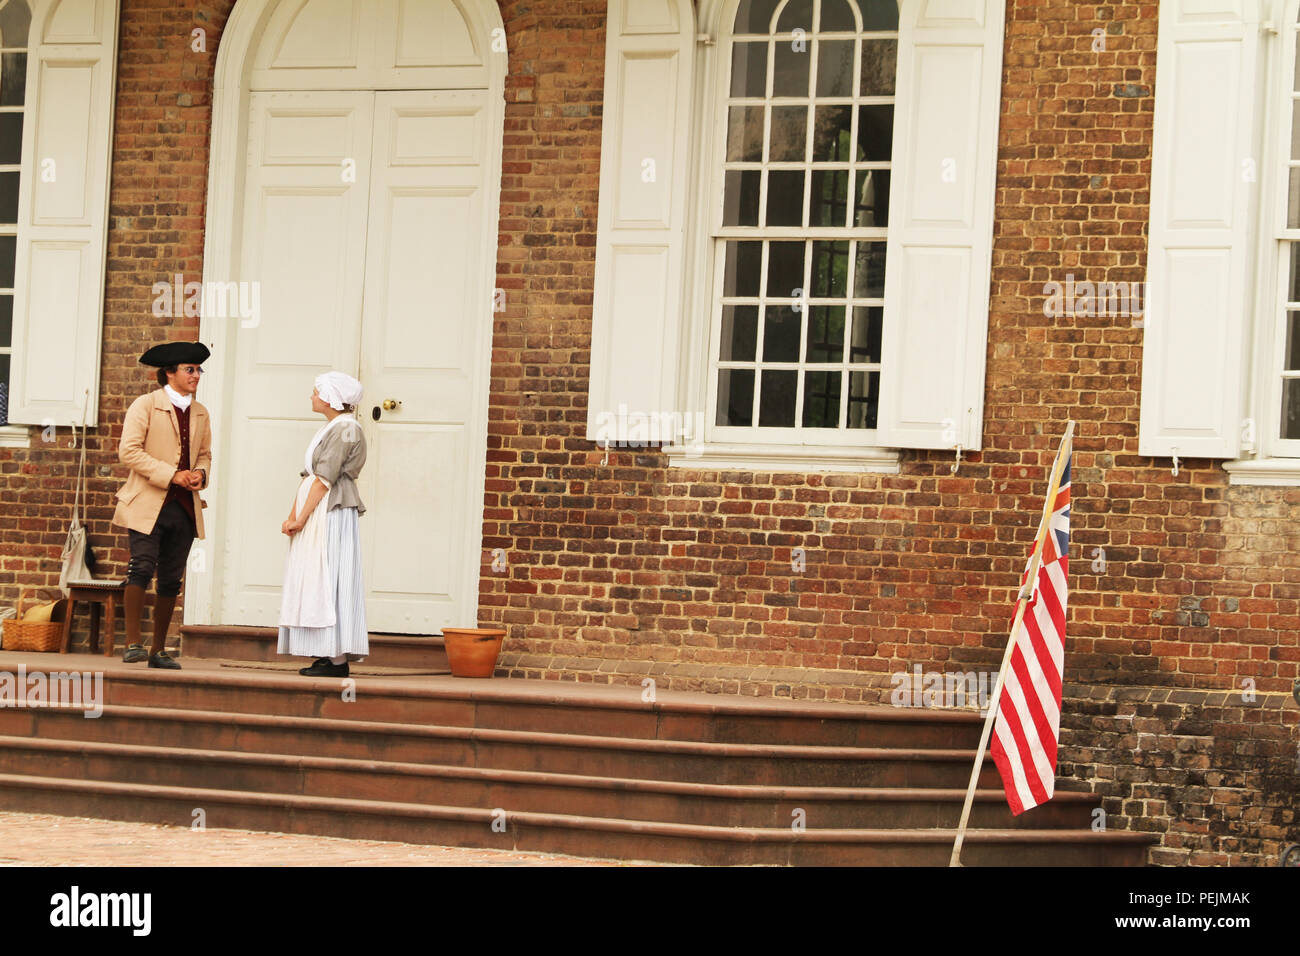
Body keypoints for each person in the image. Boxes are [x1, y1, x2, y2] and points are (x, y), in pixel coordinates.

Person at [112, 341, 213, 670]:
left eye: (198, 369)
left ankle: (157, 650)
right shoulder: (145, 405)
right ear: (170, 373)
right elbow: (129, 452)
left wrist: (199, 473)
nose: (196, 375)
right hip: (147, 502)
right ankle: (132, 644)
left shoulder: (200, 412)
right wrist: (172, 475)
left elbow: (204, 454)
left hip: (184, 507)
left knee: (171, 578)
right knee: (141, 566)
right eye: (190, 369)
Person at [278, 371, 368, 677]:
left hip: (330, 510)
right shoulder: (332, 427)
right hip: (318, 508)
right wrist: (293, 515)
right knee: (318, 578)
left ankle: (338, 659)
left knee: (330, 577)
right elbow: (309, 477)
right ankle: (328, 653)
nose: (312, 396)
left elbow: (325, 478)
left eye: (316, 392)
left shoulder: (346, 429)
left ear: (330, 397)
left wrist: (300, 518)